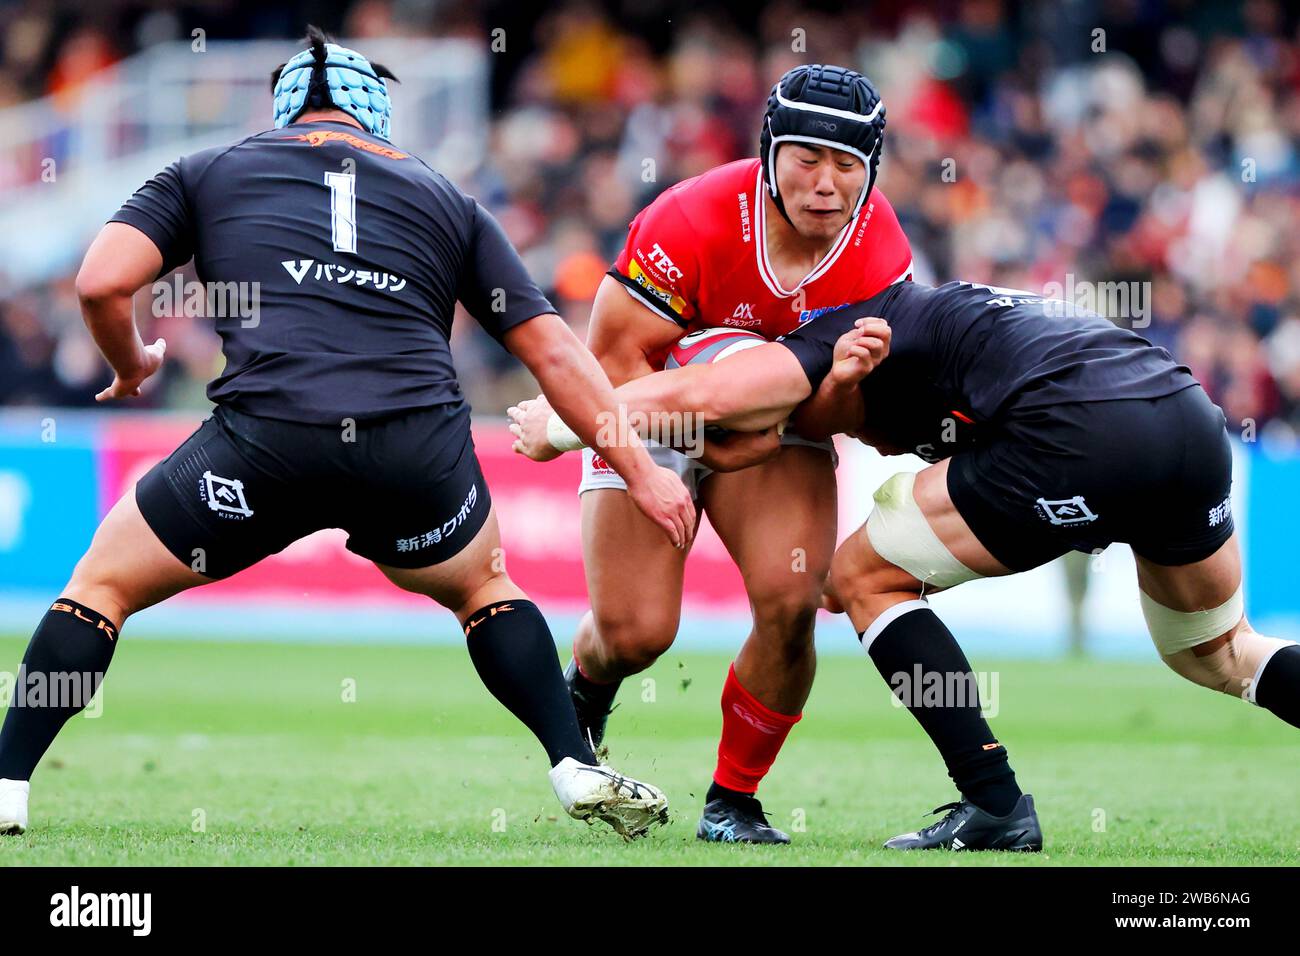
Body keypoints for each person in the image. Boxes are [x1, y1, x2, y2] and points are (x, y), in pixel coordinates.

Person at [0, 28, 696, 840]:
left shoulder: (209, 168)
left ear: (283, 110)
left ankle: (8, 784)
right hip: (415, 450)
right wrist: (640, 471)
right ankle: (572, 761)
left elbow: (100, 282)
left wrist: (132, 365)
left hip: (268, 441)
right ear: (377, 117)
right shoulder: (450, 198)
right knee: (483, 588)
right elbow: (554, 353)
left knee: (102, 588)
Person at [509, 279, 1300, 850]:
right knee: (1220, 653)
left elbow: (715, 394)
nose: (855, 441)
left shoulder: (838, 334)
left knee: (860, 578)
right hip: (1187, 422)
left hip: (1079, 433)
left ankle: (994, 804)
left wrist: (569, 422)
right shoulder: (951, 317)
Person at [562, 64, 913, 843]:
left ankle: (733, 801)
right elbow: (613, 364)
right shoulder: (690, 216)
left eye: (847, 164)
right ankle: (585, 686)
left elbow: (844, 413)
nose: (826, 184)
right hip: (653, 407)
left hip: (778, 422)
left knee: (793, 602)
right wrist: (688, 447)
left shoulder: (881, 250)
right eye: (806, 159)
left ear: (873, 168)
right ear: (769, 152)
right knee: (635, 634)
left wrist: (840, 383)